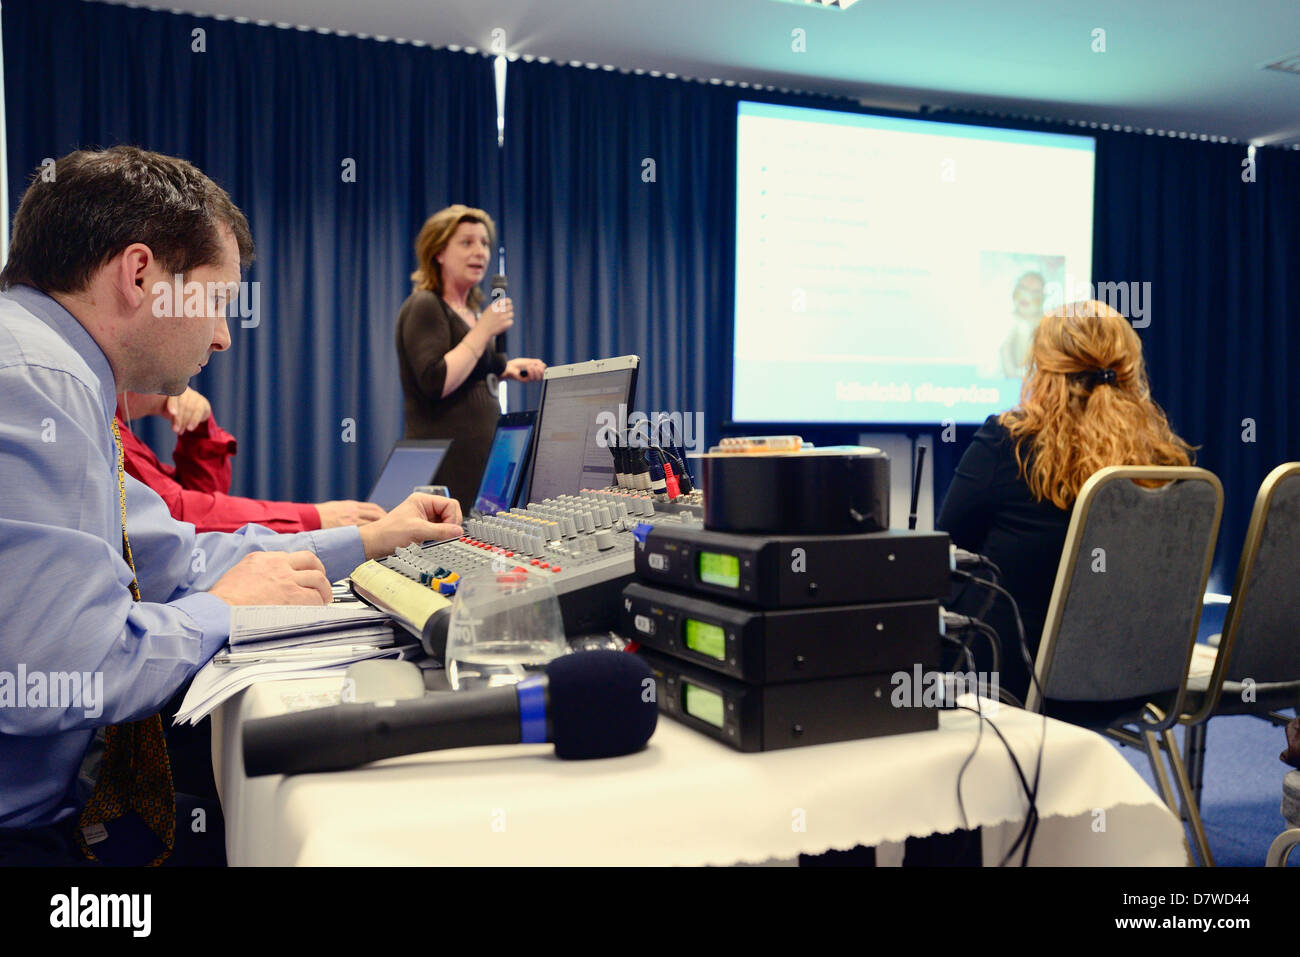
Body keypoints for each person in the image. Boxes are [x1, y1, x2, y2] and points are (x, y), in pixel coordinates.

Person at [0, 146, 464, 866]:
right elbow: (64, 669)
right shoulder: (36, 378)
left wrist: (368, 544)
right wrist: (220, 608)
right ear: (139, 274)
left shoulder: (57, 371)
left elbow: (174, 556)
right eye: (216, 303)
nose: (220, 334)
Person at [938, 300, 1194, 703]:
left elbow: (946, 554)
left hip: (1014, 680)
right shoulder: (1164, 457)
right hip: (1137, 677)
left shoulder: (1008, 444)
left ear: (1043, 366)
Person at [396, 205, 546, 503]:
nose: (480, 251)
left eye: (485, 243)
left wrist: (506, 368)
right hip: (445, 471)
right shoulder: (426, 305)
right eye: (467, 242)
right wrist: (484, 330)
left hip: (480, 464)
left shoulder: (472, 312)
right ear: (438, 252)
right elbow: (436, 380)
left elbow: (466, 369)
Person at [117, 387, 384, 533]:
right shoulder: (109, 429)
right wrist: (314, 517)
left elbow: (201, 499)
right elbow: (177, 515)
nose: (222, 339)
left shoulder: (118, 428)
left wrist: (199, 429)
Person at [997, 271, 1046, 378]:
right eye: (1023, 288)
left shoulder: (1049, 327)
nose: (1026, 295)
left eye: (1034, 291)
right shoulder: (1002, 321)